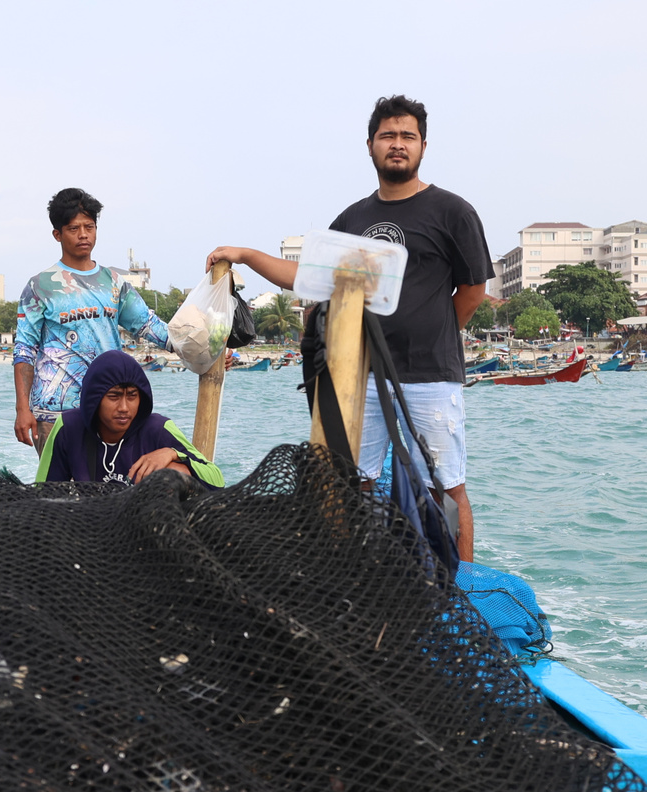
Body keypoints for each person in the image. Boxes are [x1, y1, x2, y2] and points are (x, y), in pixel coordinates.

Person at [204, 95, 492, 563]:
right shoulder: (353, 220)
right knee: (354, 481)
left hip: (431, 376)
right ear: (371, 145)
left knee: (445, 483)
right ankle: (363, 575)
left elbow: (473, 291)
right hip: (358, 379)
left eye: (407, 137)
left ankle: (457, 588)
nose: (398, 145)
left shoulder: (451, 211)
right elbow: (310, 280)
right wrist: (247, 255)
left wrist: (429, 335)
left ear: (423, 146)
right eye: (388, 136)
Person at [14, 188, 170, 455]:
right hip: (54, 415)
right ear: (58, 234)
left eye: (90, 226)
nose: (83, 234)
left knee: (107, 490)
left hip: (107, 412)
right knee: (60, 492)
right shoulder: (40, 286)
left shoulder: (114, 283)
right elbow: (24, 350)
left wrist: (207, 351)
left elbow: (151, 327)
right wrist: (22, 409)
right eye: (74, 228)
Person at [36, 350, 224, 489]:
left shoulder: (159, 429)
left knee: (176, 470)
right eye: (114, 397)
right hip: (91, 524)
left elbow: (216, 480)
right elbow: (43, 492)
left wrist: (172, 453)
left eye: (132, 396)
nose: (124, 408)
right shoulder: (69, 427)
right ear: (94, 398)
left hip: (144, 527)